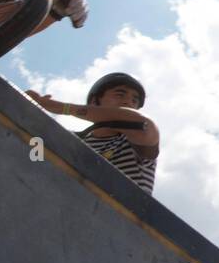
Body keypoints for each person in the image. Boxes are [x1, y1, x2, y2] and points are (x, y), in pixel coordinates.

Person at [26, 73, 159, 194]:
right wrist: (27, 108)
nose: (128, 102)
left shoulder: (135, 142)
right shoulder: (74, 141)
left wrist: (62, 107)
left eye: (134, 100)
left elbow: (145, 126)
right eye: (120, 94)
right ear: (94, 102)